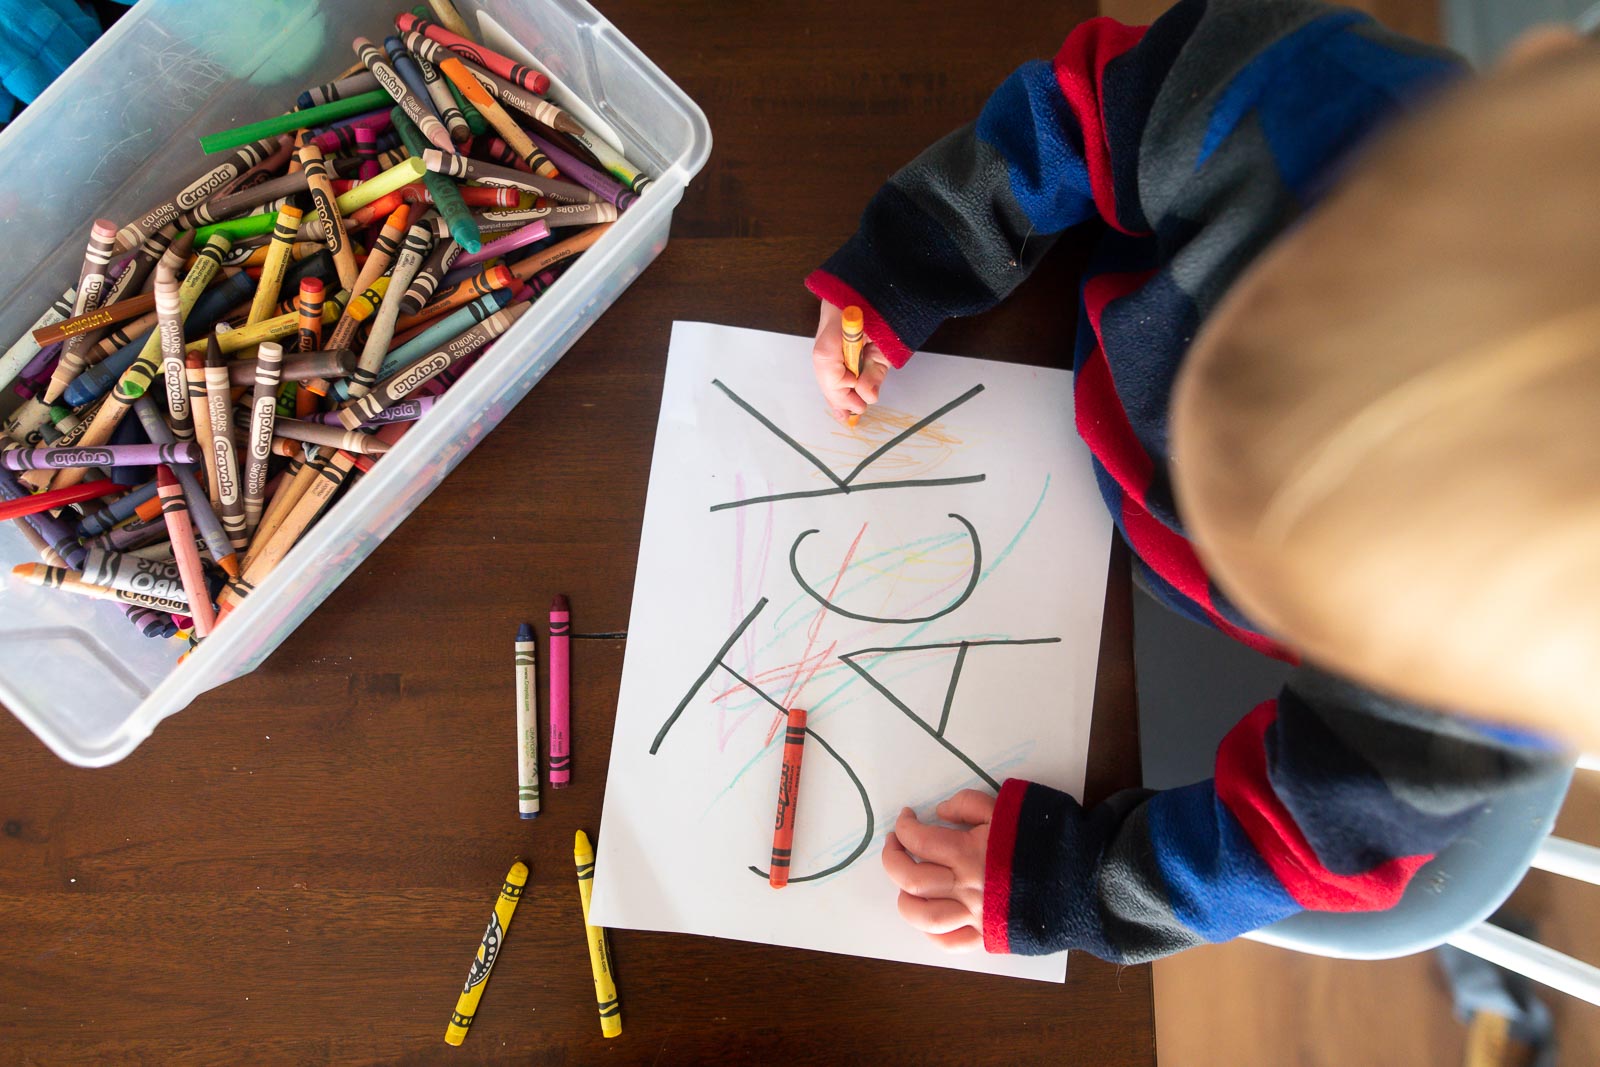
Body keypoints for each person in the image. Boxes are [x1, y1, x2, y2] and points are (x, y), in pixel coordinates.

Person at [806, 0, 1587, 961]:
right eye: (1245, 378)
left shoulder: (1478, 680)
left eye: (1306, 566)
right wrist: (914, 256)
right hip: (1090, 334)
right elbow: (1079, 116)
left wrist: (1073, 883)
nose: (1220, 500)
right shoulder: (1282, 95)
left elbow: (1288, 846)